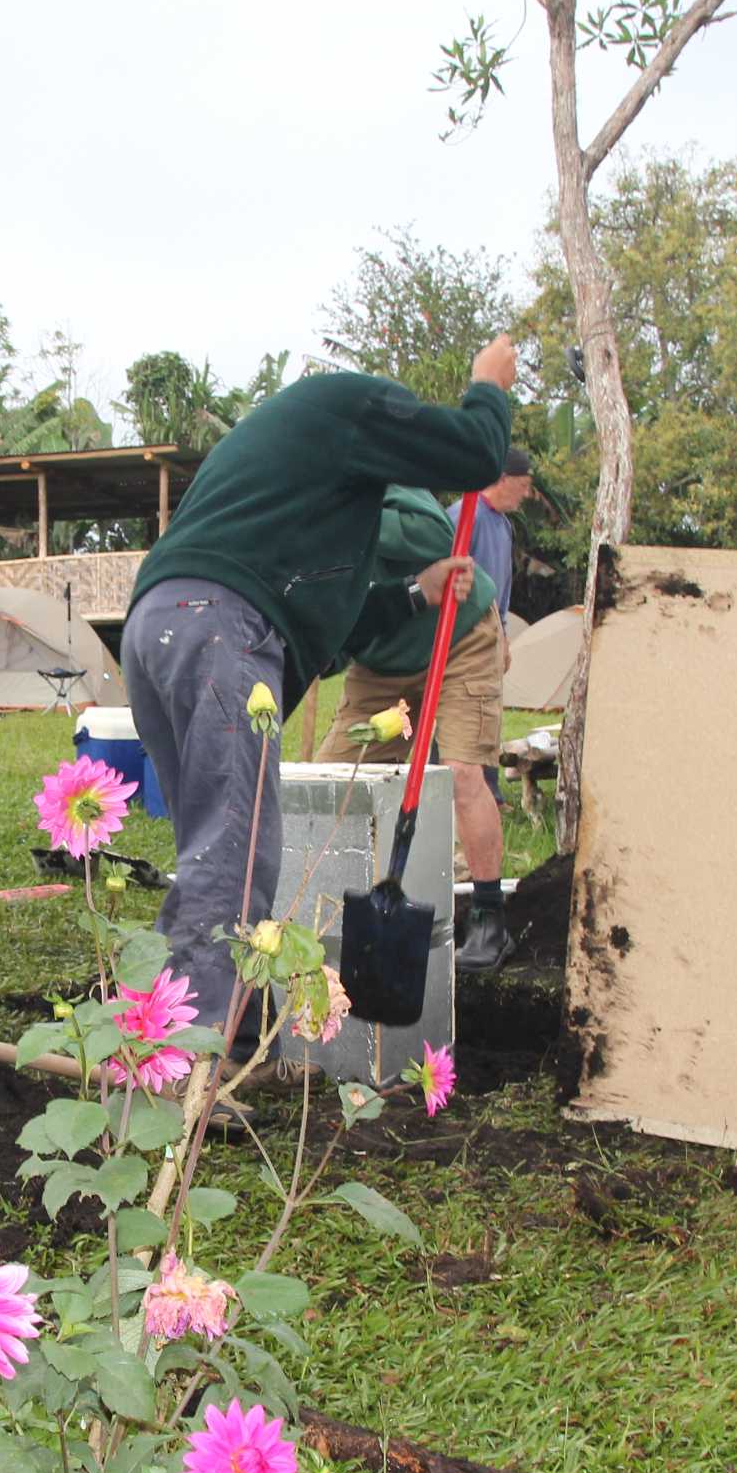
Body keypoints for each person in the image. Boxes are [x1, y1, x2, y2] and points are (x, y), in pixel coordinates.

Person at [119, 337, 517, 1043]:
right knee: (234, 857)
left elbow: (333, 631)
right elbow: (476, 455)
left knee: (211, 852)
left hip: (158, 626)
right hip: (219, 631)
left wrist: (416, 593)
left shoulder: (285, 479)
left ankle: (216, 1031)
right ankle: (202, 1059)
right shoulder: (355, 406)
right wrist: (489, 386)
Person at [325, 448, 537, 972]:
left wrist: (346, 526)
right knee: (334, 779)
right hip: (382, 663)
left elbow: (436, 536)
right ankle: (327, 910)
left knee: (464, 771)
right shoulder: (290, 550)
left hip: (459, 633)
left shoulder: (384, 482)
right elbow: (328, 652)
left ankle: (488, 919)